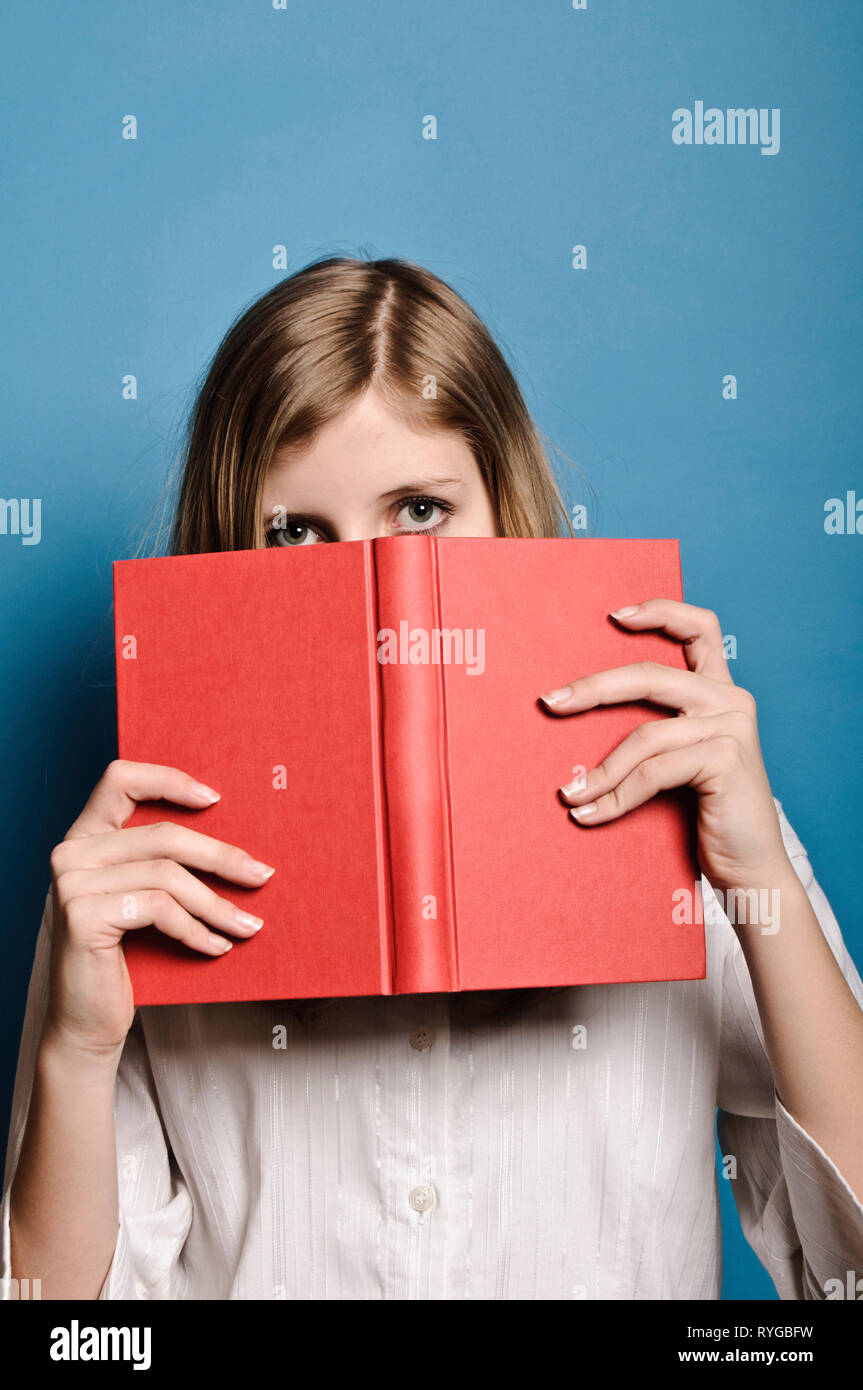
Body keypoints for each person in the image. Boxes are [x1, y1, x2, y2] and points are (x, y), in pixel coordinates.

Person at [2, 256, 862, 1300]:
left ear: (506, 508)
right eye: (292, 530)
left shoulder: (686, 800)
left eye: (418, 510)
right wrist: (75, 1053)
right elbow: (71, 1337)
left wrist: (755, 870)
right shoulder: (134, 872)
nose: (364, 586)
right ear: (229, 545)